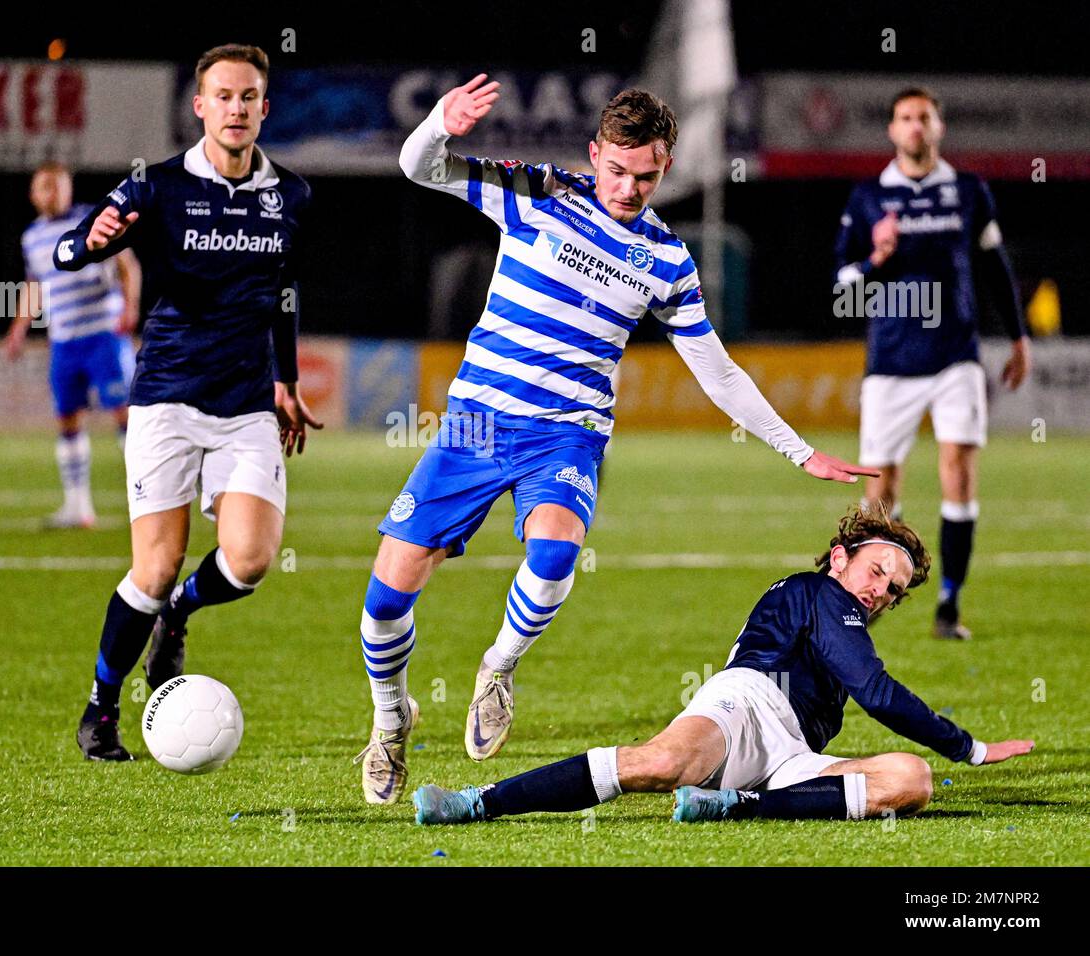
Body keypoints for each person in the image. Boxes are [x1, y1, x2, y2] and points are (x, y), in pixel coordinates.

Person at [354, 76, 875, 805]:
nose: (631, 188)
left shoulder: (666, 260)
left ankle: (498, 669)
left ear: (666, 167)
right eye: (618, 171)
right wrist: (441, 122)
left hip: (567, 433)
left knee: (556, 553)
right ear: (594, 153)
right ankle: (390, 719)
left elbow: (715, 370)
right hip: (475, 421)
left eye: (649, 175)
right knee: (383, 601)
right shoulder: (535, 192)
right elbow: (419, 168)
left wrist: (798, 449)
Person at [412, 505, 1034, 825]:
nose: (882, 593)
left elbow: (865, 696)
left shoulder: (841, 610)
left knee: (910, 781)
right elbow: (873, 691)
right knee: (660, 763)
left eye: (894, 591)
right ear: (840, 558)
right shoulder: (819, 593)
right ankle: (476, 802)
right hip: (745, 706)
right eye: (878, 572)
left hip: (791, 755)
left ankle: (736, 806)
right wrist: (969, 747)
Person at [53, 43, 322, 761]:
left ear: (264, 108)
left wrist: (286, 381)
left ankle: (180, 615)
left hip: (245, 403)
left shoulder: (291, 195)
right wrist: (89, 241)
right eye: (222, 96)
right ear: (199, 106)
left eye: (248, 97)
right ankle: (101, 709)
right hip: (168, 396)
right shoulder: (158, 186)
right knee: (156, 565)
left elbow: (285, 297)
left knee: (250, 560)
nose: (235, 108)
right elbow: (68, 253)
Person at [835, 87, 1031, 640]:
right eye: (905, 118)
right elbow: (841, 286)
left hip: (955, 357)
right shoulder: (869, 196)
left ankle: (948, 603)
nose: (915, 126)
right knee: (881, 491)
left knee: (958, 471)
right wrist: (877, 258)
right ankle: (861, 605)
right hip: (892, 360)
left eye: (924, 116)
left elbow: (994, 266)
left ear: (938, 126)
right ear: (893, 131)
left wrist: (1018, 337)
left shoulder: (969, 191)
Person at [5, 161, 142, 528]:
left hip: (104, 336)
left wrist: (130, 307)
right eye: (45, 187)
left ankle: (149, 502)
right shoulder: (31, 237)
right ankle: (78, 507)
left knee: (127, 416)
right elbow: (34, 287)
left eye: (59, 185)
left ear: (69, 188)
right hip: (64, 341)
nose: (53, 193)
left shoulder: (91, 219)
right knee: (67, 418)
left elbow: (128, 265)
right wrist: (19, 329)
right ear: (33, 195)